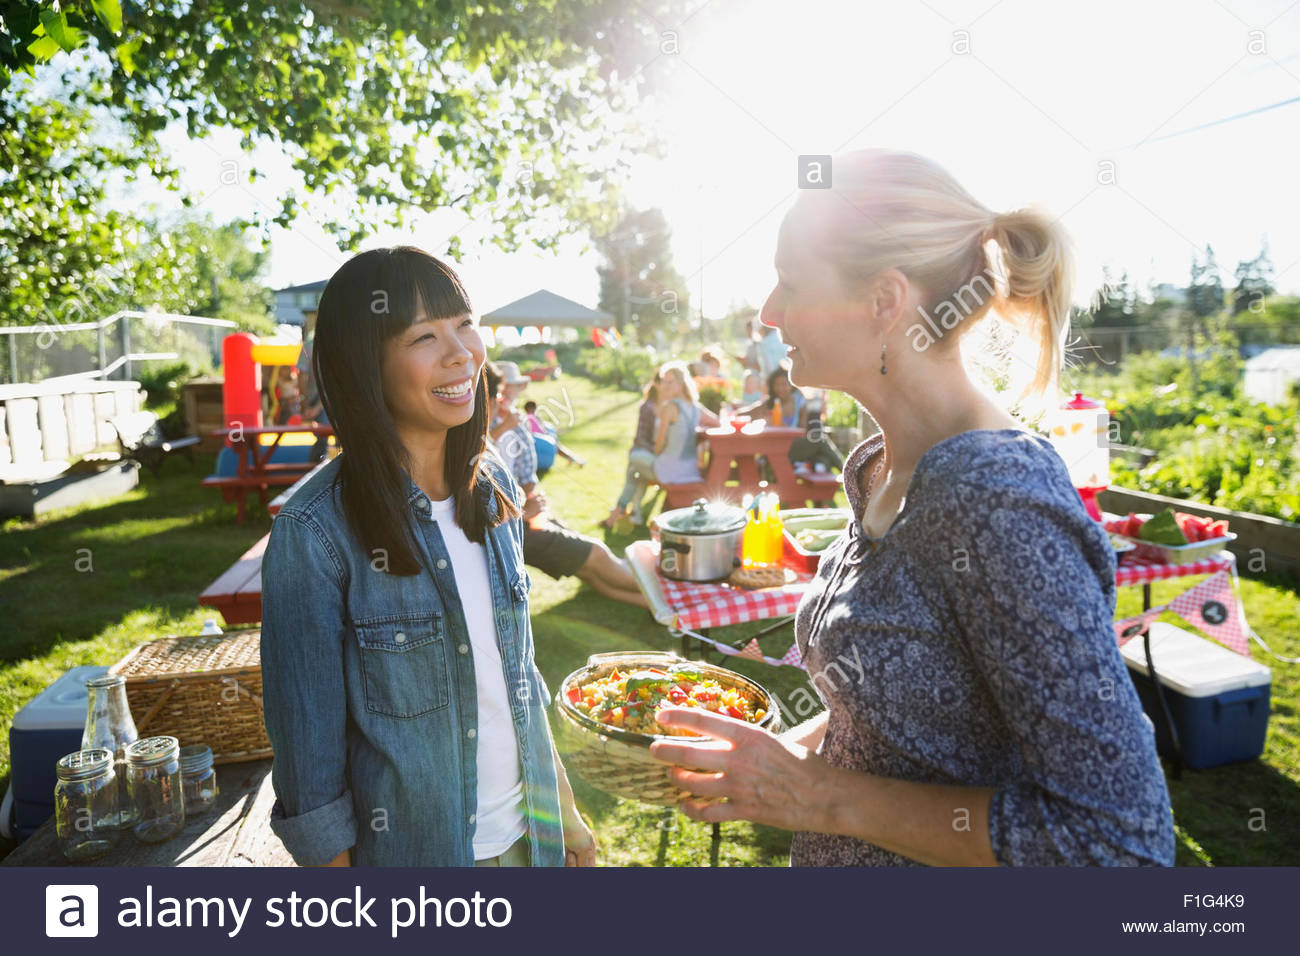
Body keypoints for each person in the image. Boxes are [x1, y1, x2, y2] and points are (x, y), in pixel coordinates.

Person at [651, 149, 1174, 867]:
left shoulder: (996, 500)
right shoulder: (880, 467)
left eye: (791, 282)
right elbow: (901, 725)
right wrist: (776, 761)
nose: (766, 314)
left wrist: (814, 795)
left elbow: (1120, 842)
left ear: (884, 301)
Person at [259, 246, 595, 868]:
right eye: (424, 336)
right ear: (367, 365)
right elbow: (309, 764)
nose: (461, 352)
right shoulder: (314, 533)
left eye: (465, 323)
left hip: (532, 847)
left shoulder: (492, 486)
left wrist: (564, 818)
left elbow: (517, 681)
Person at [484, 362, 647, 608]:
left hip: (522, 515)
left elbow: (526, 474)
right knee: (595, 554)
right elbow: (483, 474)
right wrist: (526, 511)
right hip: (512, 525)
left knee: (588, 564)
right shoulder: (477, 431)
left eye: (510, 389)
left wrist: (532, 499)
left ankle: (655, 604)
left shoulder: (516, 423)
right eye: (499, 391)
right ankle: (664, 593)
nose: (503, 396)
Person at [601, 373, 660, 528]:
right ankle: (632, 512)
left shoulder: (667, 406)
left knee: (634, 471)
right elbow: (641, 437)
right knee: (635, 471)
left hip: (655, 457)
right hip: (649, 452)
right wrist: (655, 451)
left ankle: (622, 510)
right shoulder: (649, 407)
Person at [652, 361, 718, 484]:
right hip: (691, 469)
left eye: (670, 382)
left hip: (671, 469)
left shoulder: (670, 407)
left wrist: (654, 454)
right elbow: (717, 422)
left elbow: (659, 443)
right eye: (664, 382)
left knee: (635, 462)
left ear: (681, 384)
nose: (665, 386)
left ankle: (627, 503)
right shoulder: (695, 407)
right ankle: (630, 503)